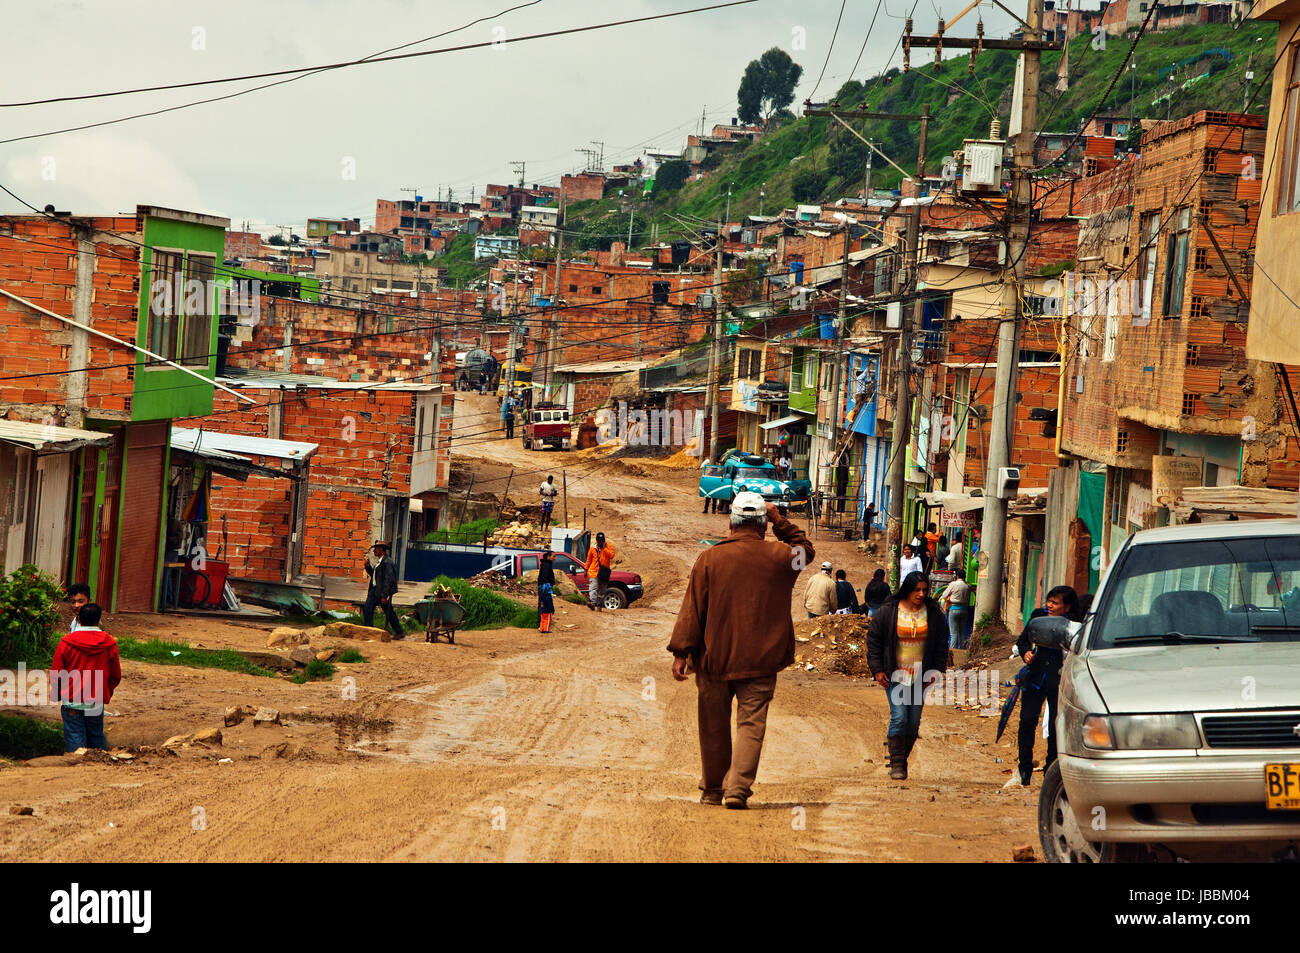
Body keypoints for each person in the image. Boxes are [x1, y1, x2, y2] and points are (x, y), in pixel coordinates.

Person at [668, 492, 814, 809]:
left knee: (713, 726)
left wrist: (681, 652)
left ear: (731, 522)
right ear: (762, 525)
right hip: (761, 662)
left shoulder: (710, 559)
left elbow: (692, 609)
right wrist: (780, 520)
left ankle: (712, 790)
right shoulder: (781, 556)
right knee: (751, 725)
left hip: (713, 660)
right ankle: (737, 789)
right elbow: (807, 551)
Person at [867, 572, 949, 780]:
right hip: (895, 675)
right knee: (900, 716)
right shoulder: (889, 611)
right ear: (908, 590)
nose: (921, 594)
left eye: (924, 590)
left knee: (913, 722)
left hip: (921, 677)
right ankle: (897, 764)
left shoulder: (933, 613)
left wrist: (937, 670)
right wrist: (877, 670)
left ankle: (900, 758)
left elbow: (941, 642)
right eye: (917, 590)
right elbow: (874, 641)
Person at [1013, 585, 1081, 787]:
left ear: (1066, 607)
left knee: (1055, 726)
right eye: (1049, 601)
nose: (1049, 606)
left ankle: (1050, 769)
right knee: (1027, 721)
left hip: (1060, 680)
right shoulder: (1038, 616)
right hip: (1035, 678)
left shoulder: (1074, 624)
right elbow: (1023, 640)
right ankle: (1024, 769)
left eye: (1055, 603)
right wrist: (1025, 653)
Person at [50, 603, 121, 753]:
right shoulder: (109, 643)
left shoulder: (66, 642)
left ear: (79, 619)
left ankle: (77, 771)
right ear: (99, 620)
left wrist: (58, 694)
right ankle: (100, 770)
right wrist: (105, 693)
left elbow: (56, 672)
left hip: (72, 700)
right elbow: (115, 675)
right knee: (96, 735)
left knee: (75, 736)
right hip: (96, 700)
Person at [362, 541, 402, 637]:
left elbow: (388, 580)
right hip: (376, 590)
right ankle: (369, 629)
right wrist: (368, 567)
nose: (374, 550)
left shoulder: (387, 563)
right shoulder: (380, 562)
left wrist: (384, 595)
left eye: (376, 549)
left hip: (381, 591)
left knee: (386, 611)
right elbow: (376, 577)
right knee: (368, 608)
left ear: (382, 551)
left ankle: (399, 632)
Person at [940, 572, 972, 650]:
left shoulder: (953, 584)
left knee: (953, 634)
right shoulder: (968, 586)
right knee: (962, 632)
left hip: (953, 609)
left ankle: (953, 651)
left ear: (957, 576)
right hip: (964, 610)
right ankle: (962, 650)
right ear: (965, 577)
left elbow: (944, 595)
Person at [584, 532, 616, 611]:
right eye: (599, 541)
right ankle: (592, 602)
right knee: (593, 588)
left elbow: (611, 556)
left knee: (602, 590)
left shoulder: (609, 547)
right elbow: (588, 560)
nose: (600, 542)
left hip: (604, 572)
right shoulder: (592, 548)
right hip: (594, 571)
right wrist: (586, 569)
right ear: (596, 540)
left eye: (601, 541)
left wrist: (604, 549)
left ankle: (599, 605)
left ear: (604, 540)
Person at [537, 550, 556, 634]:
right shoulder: (546, 565)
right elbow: (545, 578)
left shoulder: (545, 564)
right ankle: (545, 628)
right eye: (553, 556)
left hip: (544, 587)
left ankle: (541, 627)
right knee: (547, 608)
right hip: (545, 588)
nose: (554, 558)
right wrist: (547, 588)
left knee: (542, 606)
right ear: (548, 556)